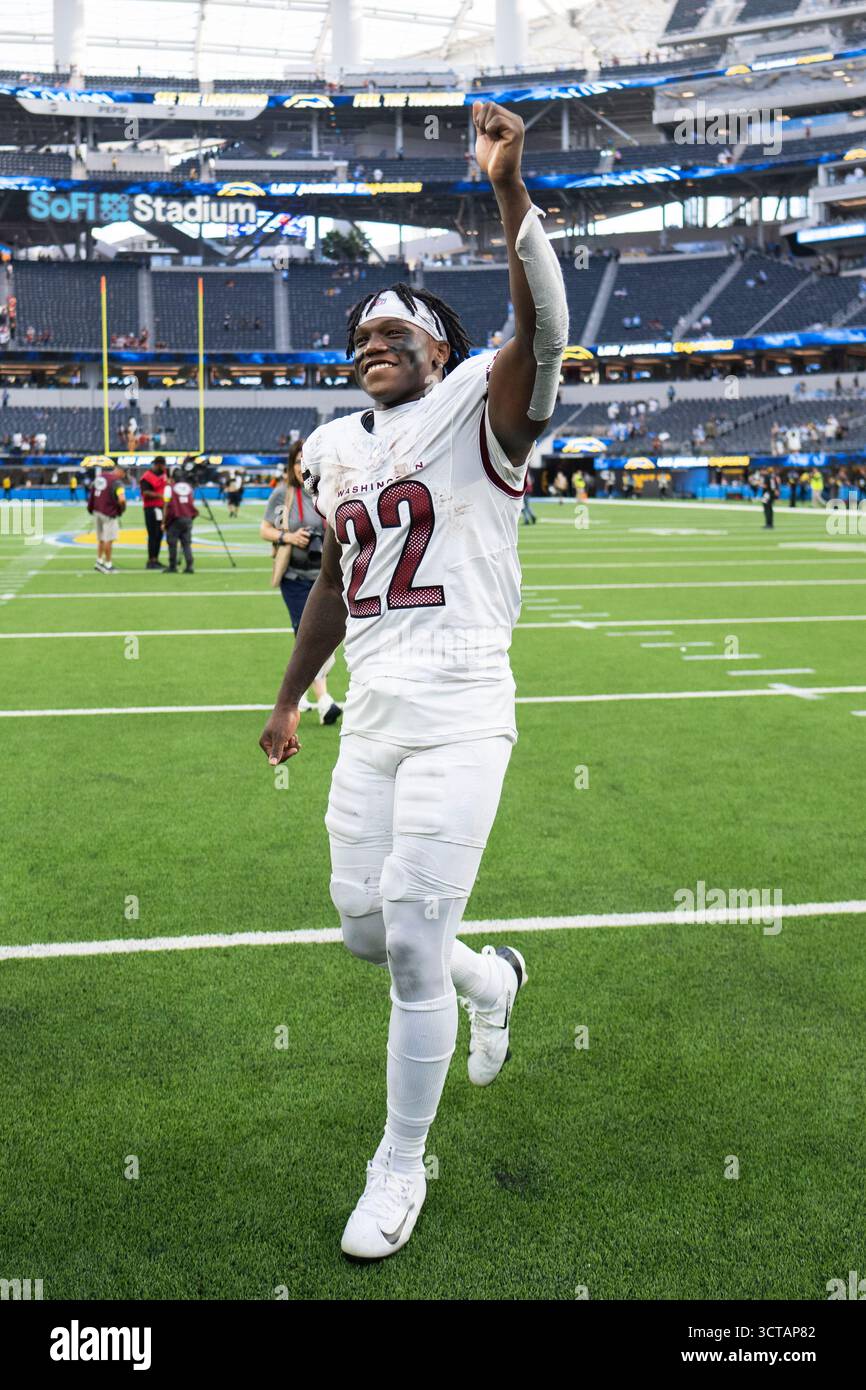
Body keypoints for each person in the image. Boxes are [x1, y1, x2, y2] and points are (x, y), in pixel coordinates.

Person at [259, 99, 568, 1262]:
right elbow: (337, 577)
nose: (368, 339)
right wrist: (292, 695)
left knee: (402, 950)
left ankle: (399, 1164)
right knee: (359, 929)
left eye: (393, 327)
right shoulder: (347, 446)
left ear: (441, 348)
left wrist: (504, 189)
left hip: (460, 713)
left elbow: (543, 322)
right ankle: (492, 982)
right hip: (374, 715)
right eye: (357, 334)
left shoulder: (479, 408)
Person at [260, 442, 342, 724]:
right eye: (296, 461)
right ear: (290, 465)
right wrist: (290, 538)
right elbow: (265, 529)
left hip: (325, 578)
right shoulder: (283, 494)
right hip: (294, 577)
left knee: (325, 643)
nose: (300, 466)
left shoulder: (325, 494)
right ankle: (324, 701)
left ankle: (301, 694)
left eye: (304, 461)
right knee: (307, 635)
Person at [87, 463, 127, 573]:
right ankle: (108, 565)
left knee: (100, 539)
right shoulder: (117, 482)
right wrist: (122, 509)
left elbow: (92, 494)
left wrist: (90, 508)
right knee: (108, 539)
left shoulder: (100, 477)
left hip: (97, 511)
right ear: (121, 471)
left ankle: (99, 561)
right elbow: (122, 499)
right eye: (124, 474)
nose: (123, 476)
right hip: (109, 513)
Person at [163, 469, 198, 574]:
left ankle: (172, 566)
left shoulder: (170, 488)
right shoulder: (189, 488)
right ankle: (189, 566)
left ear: (173, 478)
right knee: (187, 544)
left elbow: (166, 506)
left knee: (172, 543)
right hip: (188, 518)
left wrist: (163, 522)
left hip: (175, 518)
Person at [140, 455, 169, 569]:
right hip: (151, 508)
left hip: (162, 508)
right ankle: (151, 560)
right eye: (162, 465)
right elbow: (145, 492)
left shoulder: (165, 474)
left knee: (159, 534)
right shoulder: (147, 477)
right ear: (158, 465)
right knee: (153, 534)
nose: (164, 467)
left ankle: (155, 559)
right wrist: (160, 495)